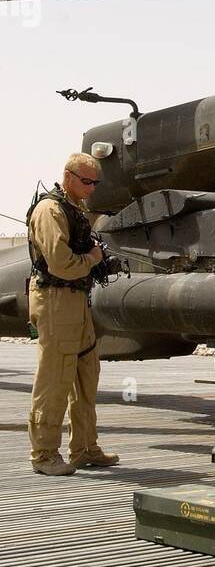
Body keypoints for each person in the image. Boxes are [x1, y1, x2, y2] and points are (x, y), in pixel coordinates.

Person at [27, 153, 119, 476]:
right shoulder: (50, 210)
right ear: (68, 177)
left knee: (85, 372)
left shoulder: (75, 209)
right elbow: (61, 262)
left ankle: (83, 448)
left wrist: (97, 260)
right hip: (55, 299)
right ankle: (44, 454)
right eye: (86, 181)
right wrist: (93, 259)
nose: (91, 188)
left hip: (76, 299)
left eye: (95, 182)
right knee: (55, 375)